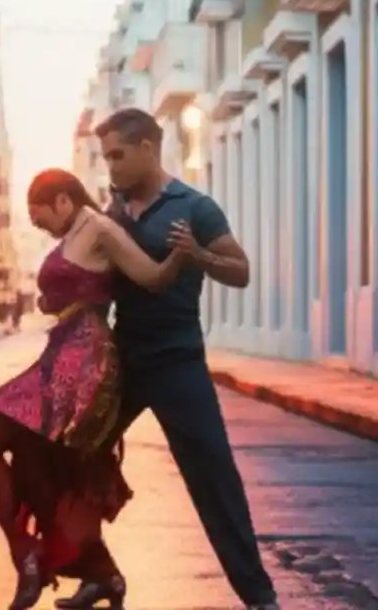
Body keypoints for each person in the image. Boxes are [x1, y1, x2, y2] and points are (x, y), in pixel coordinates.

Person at [70, 108, 280, 609]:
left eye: (118, 155)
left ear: (148, 148)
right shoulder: (114, 212)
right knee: (75, 455)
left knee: (214, 478)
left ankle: (259, 597)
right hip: (124, 363)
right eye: (105, 157)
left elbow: (241, 270)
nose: (111, 166)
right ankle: (97, 573)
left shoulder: (195, 207)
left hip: (178, 363)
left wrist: (197, 255)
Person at [0, 168, 189, 610]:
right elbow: (73, 290)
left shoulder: (100, 229)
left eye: (41, 216)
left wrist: (185, 252)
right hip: (61, 355)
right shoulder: (74, 234)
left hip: (86, 363)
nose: (39, 226)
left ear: (63, 201)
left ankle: (35, 557)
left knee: (4, 447)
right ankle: (93, 572)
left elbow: (152, 276)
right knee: (33, 460)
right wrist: (53, 301)